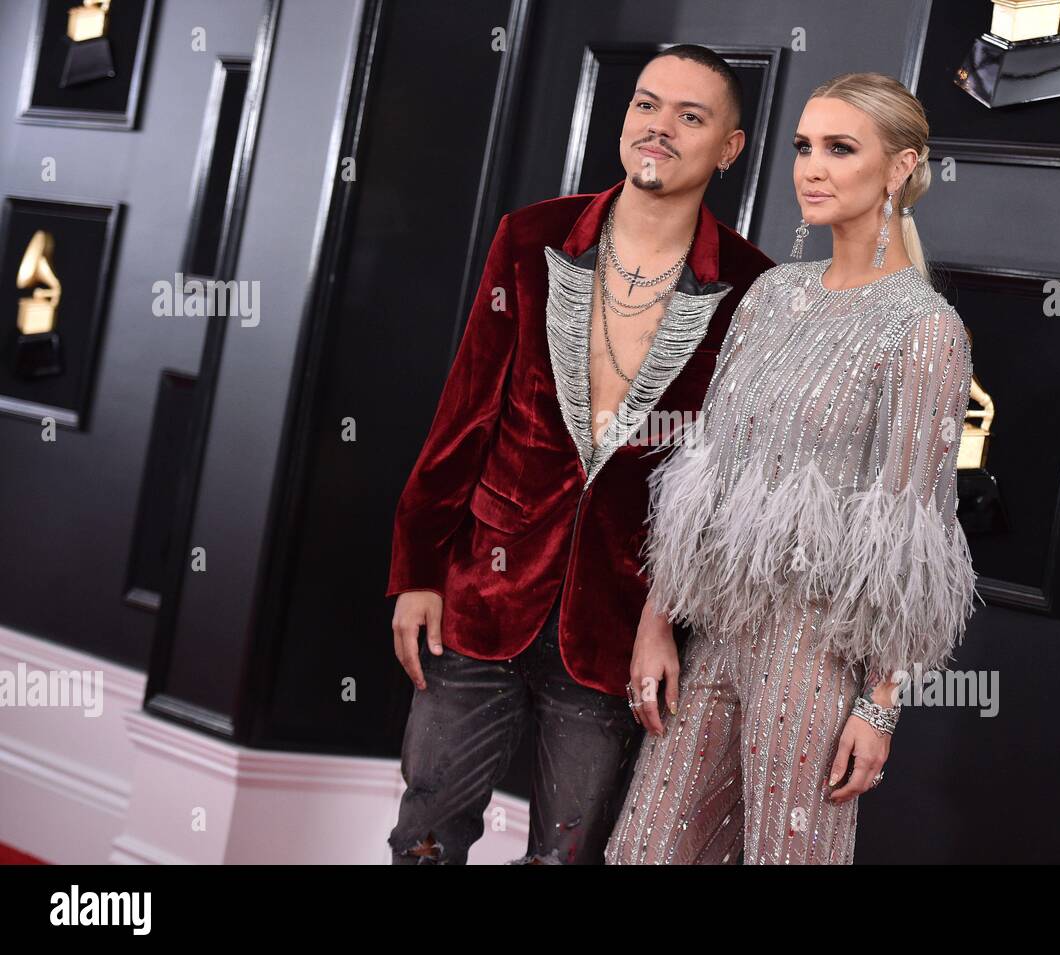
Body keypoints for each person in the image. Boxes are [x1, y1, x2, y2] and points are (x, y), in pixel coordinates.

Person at [386, 45, 775, 864]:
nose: (659, 128)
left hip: (618, 627)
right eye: (646, 105)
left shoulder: (751, 289)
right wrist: (418, 570)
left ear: (729, 149)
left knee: (569, 857)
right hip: (482, 594)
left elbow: (721, 484)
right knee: (422, 839)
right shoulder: (531, 237)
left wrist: (663, 622)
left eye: (690, 116)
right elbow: (462, 417)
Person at [605, 72, 982, 865]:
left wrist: (879, 708)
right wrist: (656, 619)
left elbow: (908, 539)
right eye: (804, 146)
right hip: (717, 626)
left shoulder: (926, 329)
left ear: (900, 168)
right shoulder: (773, 294)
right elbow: (706, 474)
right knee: (643, 850)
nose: (811, 167)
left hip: (817, 645)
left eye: (840, 148)